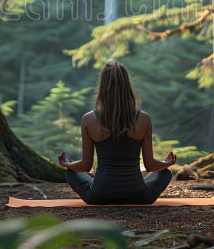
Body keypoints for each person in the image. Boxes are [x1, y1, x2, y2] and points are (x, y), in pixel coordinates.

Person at [58, 60, 176, 204]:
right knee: (165, 173)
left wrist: (67, 164)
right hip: (139, 196)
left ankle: (101, 182)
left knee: (71, 173)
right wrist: (167, 162)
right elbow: (150, 166)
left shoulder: (88, 119)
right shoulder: (144, 119)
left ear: (102, 88)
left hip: (98, 196)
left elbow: (85, 166)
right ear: (127, 86)